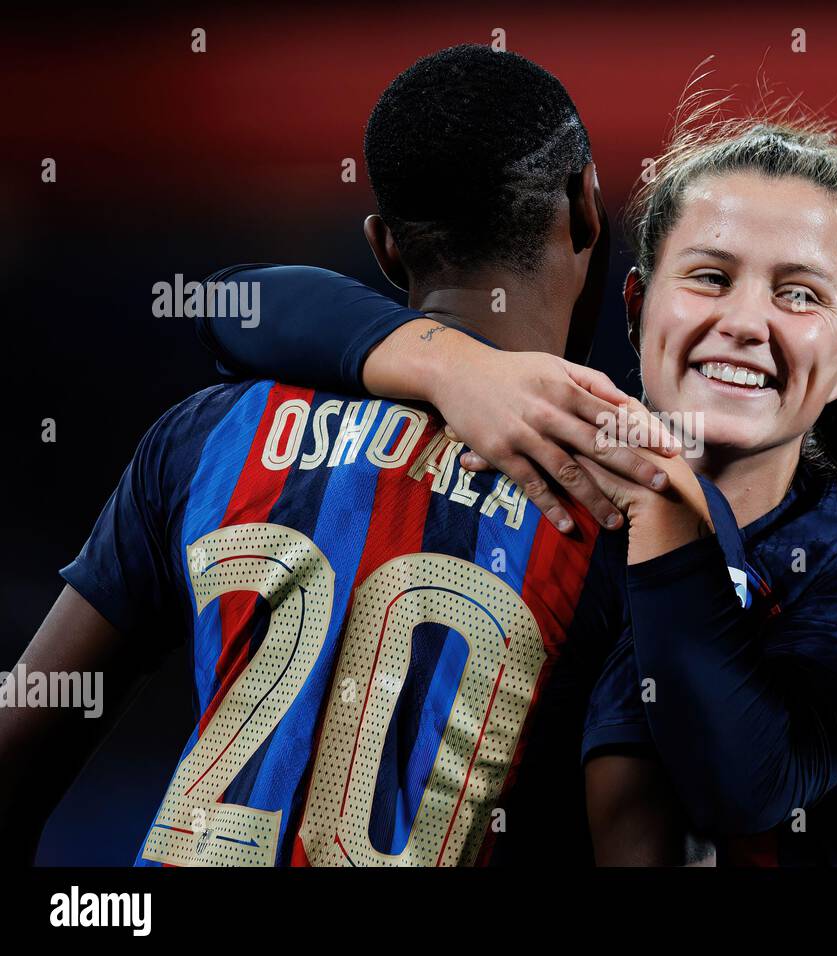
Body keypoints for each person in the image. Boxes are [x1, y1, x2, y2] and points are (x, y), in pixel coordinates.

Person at [193, 93, 837, 864]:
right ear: (635, 305)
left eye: (799, 293)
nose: (746, 321)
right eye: (712, 276)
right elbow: (239, 305)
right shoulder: (545, 459)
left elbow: (746, 783)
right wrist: (455, 367)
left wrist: (664, 516)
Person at [0, 46, 682, 868]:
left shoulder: (204, 435)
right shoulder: (628, 498)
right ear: (585, 206)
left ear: (385, 247)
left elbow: (18, 755)